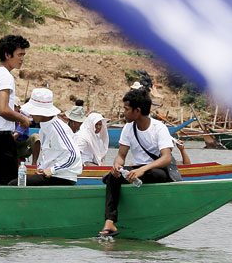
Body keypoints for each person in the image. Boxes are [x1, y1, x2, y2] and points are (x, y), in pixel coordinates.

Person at [99, 89, 181, 237]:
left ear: (138, 111)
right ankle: (110, 222)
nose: (124, 112)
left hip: (157, 171)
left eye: (126, 109)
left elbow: (166, 158)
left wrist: (142, 169)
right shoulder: (128, 128)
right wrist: (117, 166)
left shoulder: (159, 128)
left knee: (149, 172)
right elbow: (121, 155)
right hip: (137, 171)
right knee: (111, 177)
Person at [0, 35, 33, 185]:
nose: (22, 58)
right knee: (8, 184)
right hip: (1, 138)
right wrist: (22, 119)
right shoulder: (6, 77)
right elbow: (2, 110)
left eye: (23, 55)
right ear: (8, 55)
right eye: (19, 54)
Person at [14, 88, 82, 185]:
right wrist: (42, 168)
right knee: (17, 182)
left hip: (61, 177)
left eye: (33, 111)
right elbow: (50, 155)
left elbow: (73, 155)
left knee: (15, 184)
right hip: (53, 175)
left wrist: (52, 170)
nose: (31, 115)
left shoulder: (57, 128)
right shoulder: (44, 127)